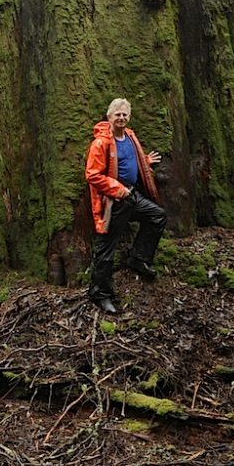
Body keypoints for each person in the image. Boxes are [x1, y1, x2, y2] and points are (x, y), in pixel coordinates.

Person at [84, 98, 166, 314]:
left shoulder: (129, 135)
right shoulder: (101, 143)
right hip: (114, 201)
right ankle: (100, 293)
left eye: (124, 114)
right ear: (109, 117)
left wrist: (145, 162)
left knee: (157, 216)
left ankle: (138, 258)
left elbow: (129, 159)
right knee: (106, 247)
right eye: (117, 114)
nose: (121, 118)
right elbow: (92, 174)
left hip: (132, 195)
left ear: (129, 117)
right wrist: (117, 189)